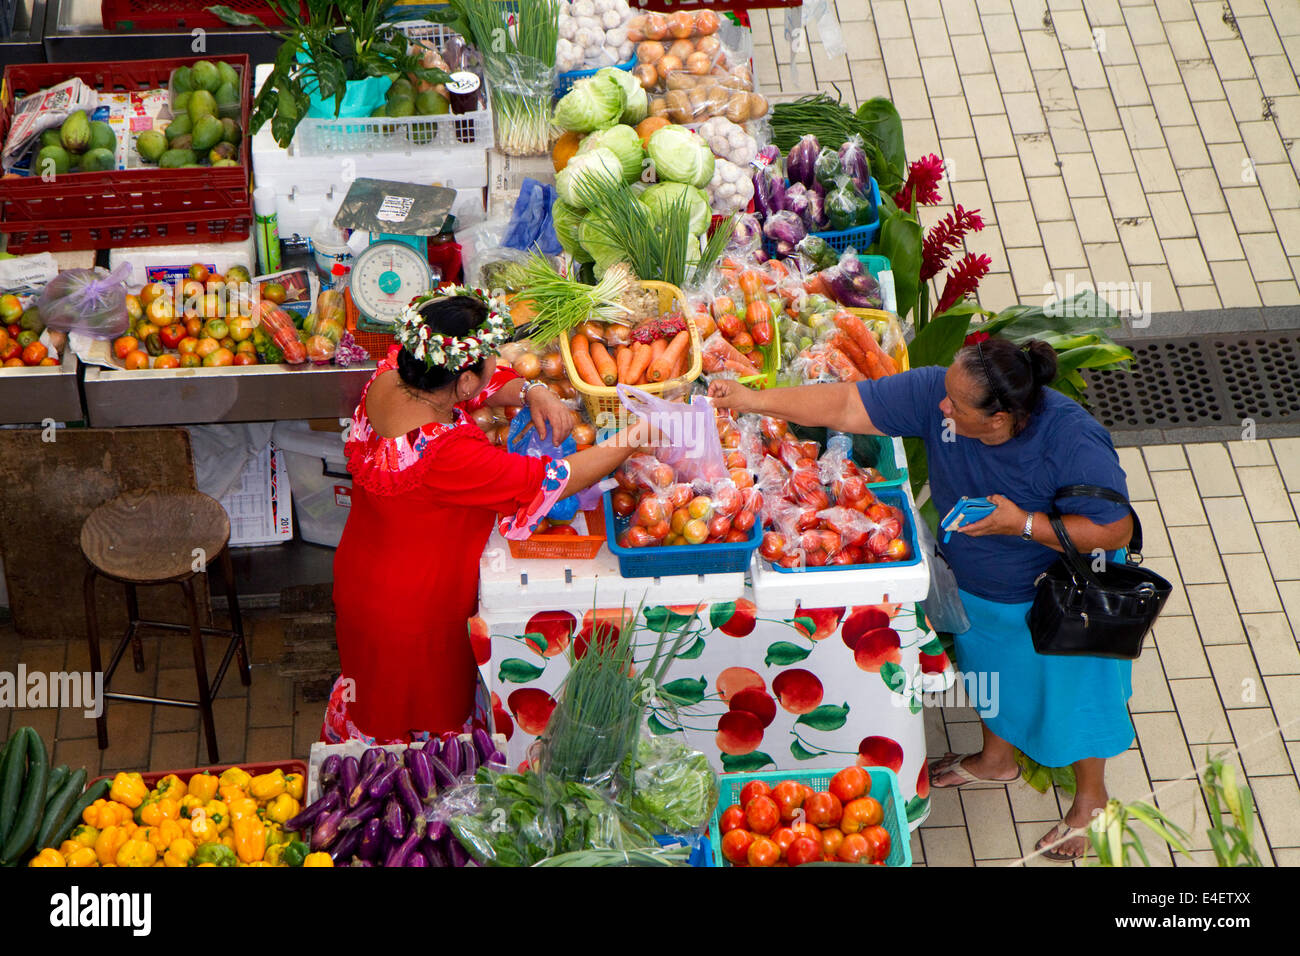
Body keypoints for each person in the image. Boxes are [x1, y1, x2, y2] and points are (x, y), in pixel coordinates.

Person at [709, 335, 1134, 862]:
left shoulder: (1071, 439)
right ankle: (996, 759)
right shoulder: (943, 394)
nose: (941, 407)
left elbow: (1114, 529)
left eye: (955, 405)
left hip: (1055, 600)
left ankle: (1091, 799)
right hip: (976, 589)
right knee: (989, 673)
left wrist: (1021, 524)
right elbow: (847, 403)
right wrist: (752, 399)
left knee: (1073, 698)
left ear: (1000, 419)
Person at [326, 288, 653, 746]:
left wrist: (534, 389)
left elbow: (490, 380)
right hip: (417, 612)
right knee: (417, 722)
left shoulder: (394, 374)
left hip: (364, 577)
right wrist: (636, 435)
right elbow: (554, 479)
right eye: (482, 365)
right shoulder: (446, 453)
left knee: (376, 699)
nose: (491, 371)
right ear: (461, 384)